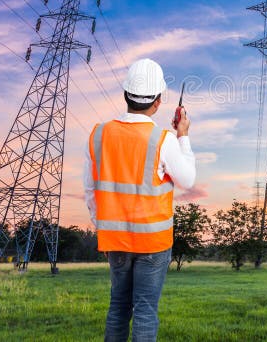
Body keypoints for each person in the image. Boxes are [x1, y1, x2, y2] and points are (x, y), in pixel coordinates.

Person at [84, 58, 195, 342]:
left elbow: (90, 191)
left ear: (125, 95)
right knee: (145, 310)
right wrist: (182, 136)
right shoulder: (163, 139)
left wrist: (104, 228)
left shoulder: (98, 134)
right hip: (153, 243)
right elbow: (188, 180)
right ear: (158, 101)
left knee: (118, 307)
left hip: (115, 240)